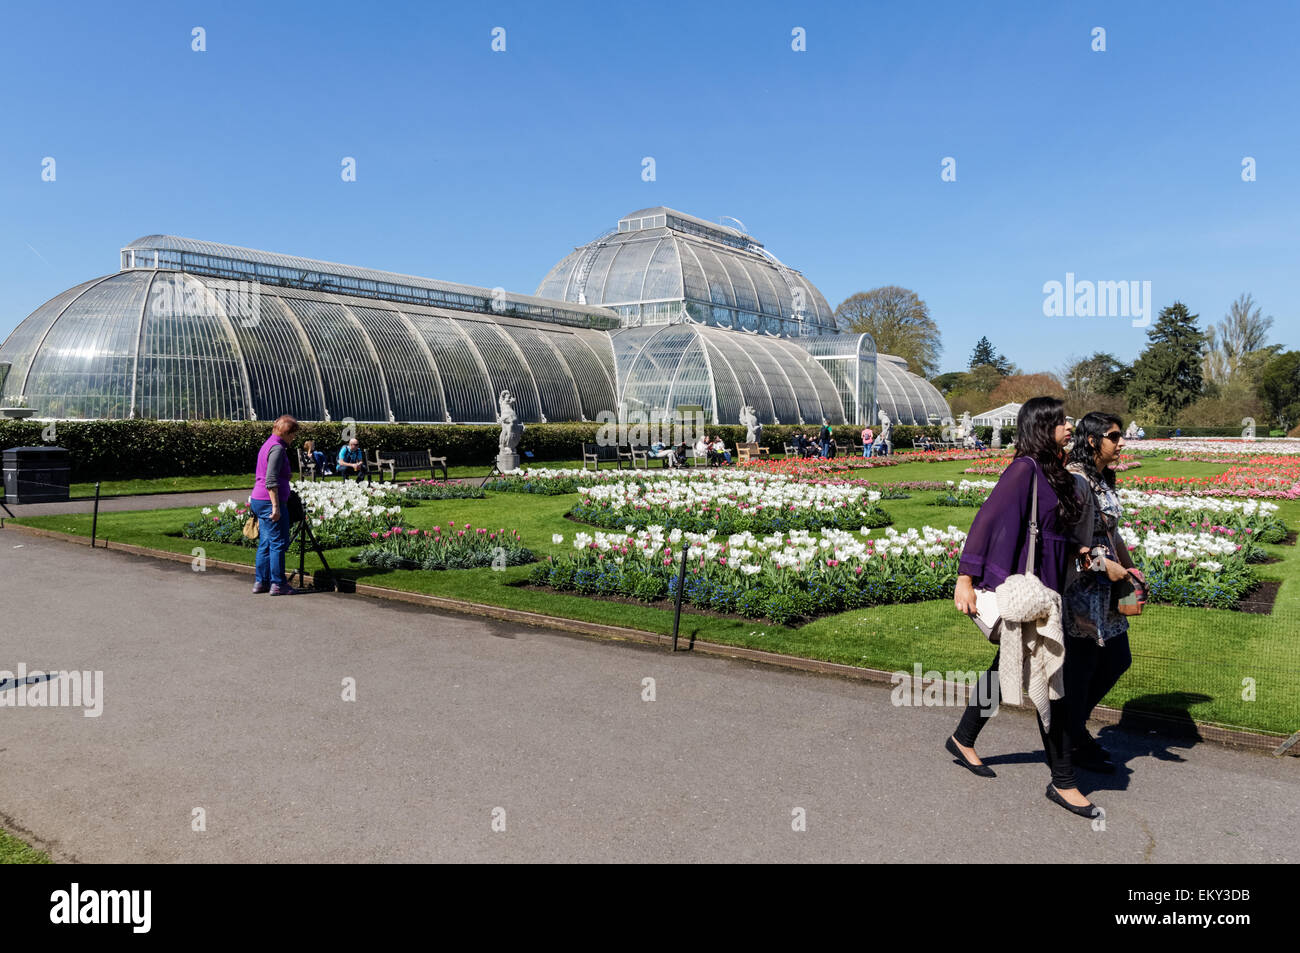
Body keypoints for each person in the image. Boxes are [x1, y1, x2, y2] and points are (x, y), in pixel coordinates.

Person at [947, 396, 1100, 818]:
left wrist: (1082, 548)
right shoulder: (1023, 470)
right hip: (1027, 590)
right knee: (1053, 682)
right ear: (1041, 426)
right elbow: (987, 520)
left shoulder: (1056, 474)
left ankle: (963, 737)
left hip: (1049, 591)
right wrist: (965, 579)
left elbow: (1054, 531)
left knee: (1006, 669)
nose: (1069, 427)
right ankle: (1064, 782)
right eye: (1061, 422)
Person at [1063, 413, 1141, 773]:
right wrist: (1103, 564)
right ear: (1093, 440)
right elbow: (1066, 541)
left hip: (1107, 586)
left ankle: (1073, 729)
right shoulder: (1076, 479)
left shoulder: (1101, 477)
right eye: (1114, 436)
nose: (1121, 442)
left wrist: (1129, 565)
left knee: (1116, 659)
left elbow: (1112, 531)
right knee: (1084, 667)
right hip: (1082, 588)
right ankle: (1071, 739)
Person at [250, 415, 301, 596]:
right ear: (288, 433)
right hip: (269, 500)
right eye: (293, 435)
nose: (294, 439)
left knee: (265, 542)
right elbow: (270, 480)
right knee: (278, 543)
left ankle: (261, 582)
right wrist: (276, 507)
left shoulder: (268, 444)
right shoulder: (278, 449)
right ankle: (278, 584)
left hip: (258, 499)